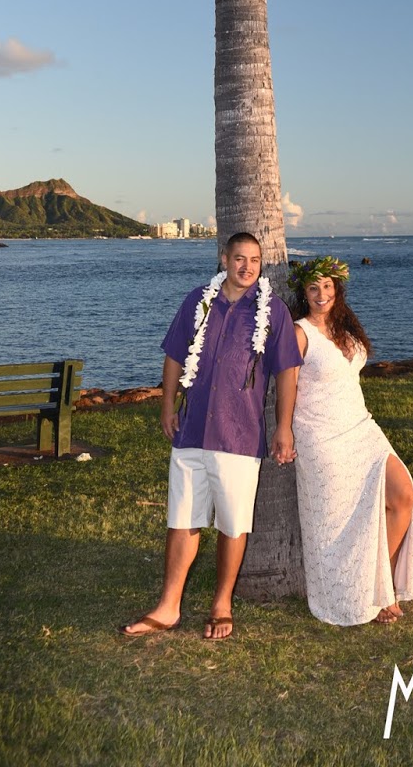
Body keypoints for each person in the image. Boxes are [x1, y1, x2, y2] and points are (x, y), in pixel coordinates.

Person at [122, 232, 302, 641]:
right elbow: (174, 354)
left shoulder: (272, 311)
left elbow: (288, 370)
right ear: (224, 258)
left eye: (254, 260)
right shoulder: (197, 302)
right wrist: (167, 405)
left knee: (233, 525)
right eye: (239, 258)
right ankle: (168, 606)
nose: (247, 267)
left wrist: (284, 426)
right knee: (182, 519)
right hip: (192, 430)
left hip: (238, 434)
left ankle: (222, 603)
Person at [289, 255, 413, 626]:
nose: (321, 294)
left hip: (362, 427)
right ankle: (369, 594)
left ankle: (380, 586)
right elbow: (287, 385)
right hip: (322, 435)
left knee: (402, 496)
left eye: (327, 286)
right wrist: (285, 430)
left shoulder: (346, 327)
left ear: (337, 289)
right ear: (304, 291)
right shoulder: (300, 332)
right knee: (337, 519)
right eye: (313, 287)